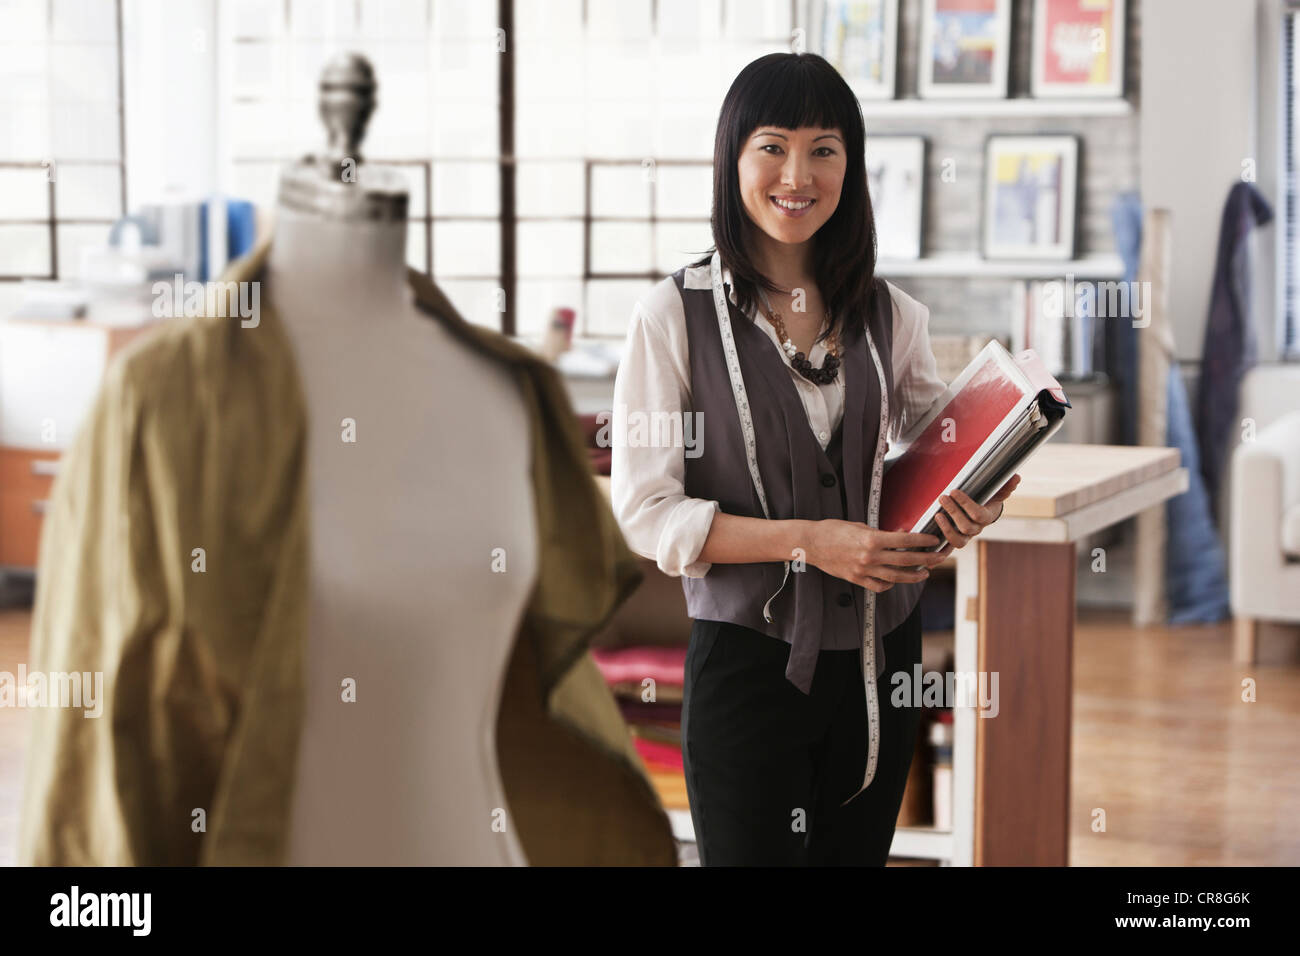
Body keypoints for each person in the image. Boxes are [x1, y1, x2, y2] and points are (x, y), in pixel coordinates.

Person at [611, 52, 1019, 866]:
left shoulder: (890, 314)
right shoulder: (672, 316)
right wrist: (810, 540)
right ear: (733, 159)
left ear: (851, 165)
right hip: (747, 667)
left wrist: (967, 504)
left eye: (824, 149)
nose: (797, 174)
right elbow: (646, 515)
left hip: (879, 665)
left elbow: (925, 451)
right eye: (772, 146)